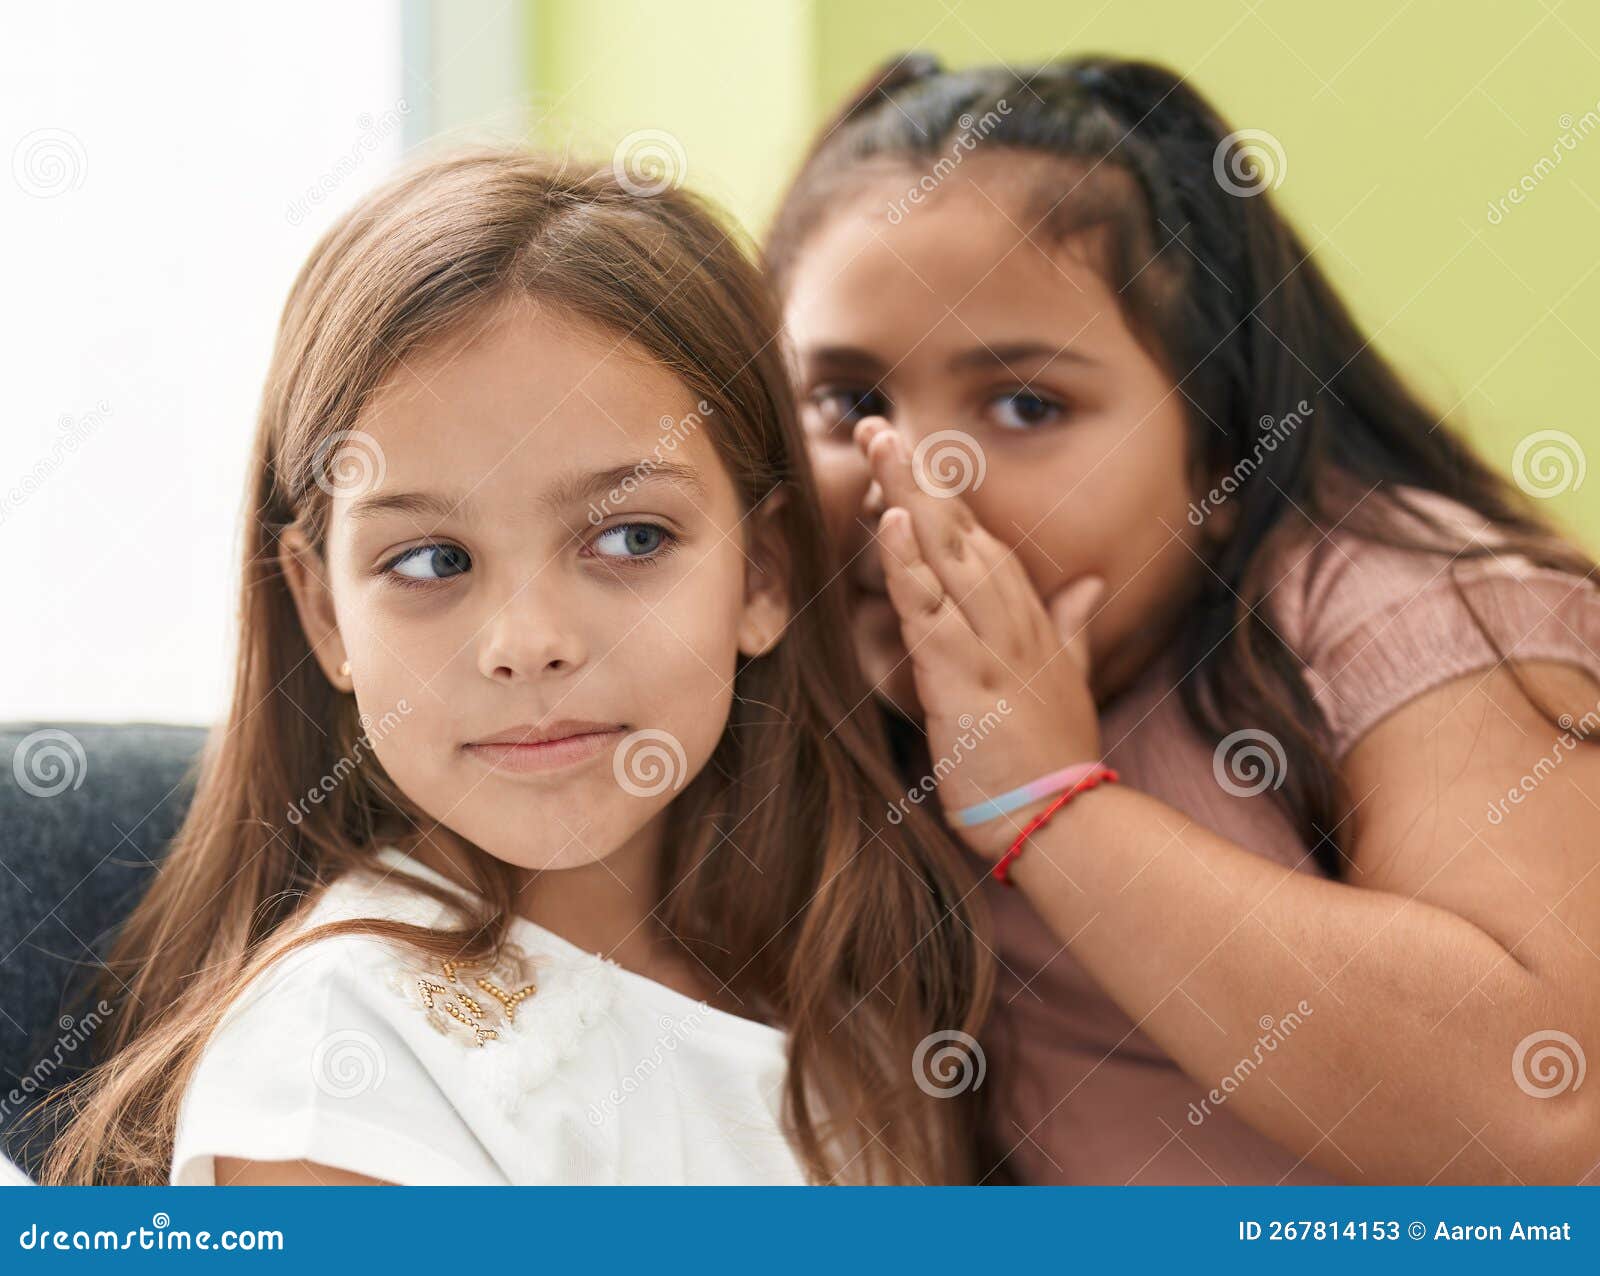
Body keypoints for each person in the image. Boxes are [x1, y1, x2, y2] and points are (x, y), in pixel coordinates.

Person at [33, 147, 992, 1186]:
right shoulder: (341, 1065)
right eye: (432, 561)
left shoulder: (855, 974)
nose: (528, 640)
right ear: (324, 612)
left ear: (761, 572)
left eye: (628, 539)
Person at [768, 53, 1600, 1185]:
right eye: (849, 402)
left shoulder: (1405, 605)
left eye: (1025, 404)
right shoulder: (780, 650)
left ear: (1217, 447)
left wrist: (1044, 802)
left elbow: (1545, 1116)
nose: (913, 477)